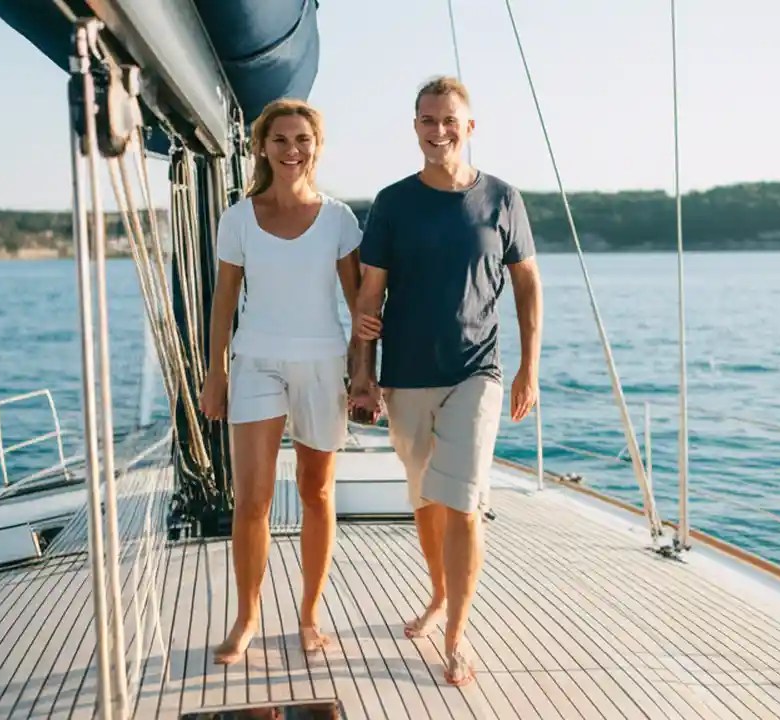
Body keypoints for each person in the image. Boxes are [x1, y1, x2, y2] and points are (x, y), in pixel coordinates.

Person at [350, 76, 543, 687]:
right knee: (427, 501)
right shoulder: (391, 203)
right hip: (405, 376)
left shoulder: (503, 199)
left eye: (449, 121)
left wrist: (528, 367)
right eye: (428, 121)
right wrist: (363, 375)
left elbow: (528, 284)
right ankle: (438, 594)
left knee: (460, 503)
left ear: (470, 126)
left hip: (475, 372)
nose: (439, 131)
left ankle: (457, 634)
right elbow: (368, 295)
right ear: (415, 128)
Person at [198, 98, 379, 665]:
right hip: (256, 361)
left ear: (316, 146)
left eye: (302, 139)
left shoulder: (339, 219)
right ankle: (247, 617)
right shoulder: (238, 218)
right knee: (251, 499)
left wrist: (364, 376)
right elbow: (223, 303)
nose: (292, 149)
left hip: (323, 364)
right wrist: (215, 372)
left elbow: (357, 307)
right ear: (261, 147)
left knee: (315, 492)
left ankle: (308, 614)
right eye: (280, 139)